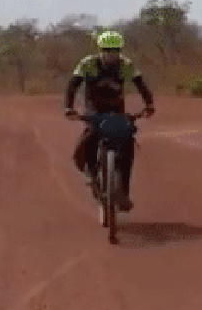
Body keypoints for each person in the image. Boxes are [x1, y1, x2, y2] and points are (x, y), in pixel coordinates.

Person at [64, 30, 155, 211]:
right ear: (100, 49)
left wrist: (149, 104)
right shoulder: (87, 64)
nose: (111, 54)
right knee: (88, 139)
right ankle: (90, 171)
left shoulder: (126, 65)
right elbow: (72, 86)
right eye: (107, 49)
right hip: (94, 111)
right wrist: (69, 107)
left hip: (116, 111)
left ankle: (123, 193)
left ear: (120, 50)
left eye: (115, 50)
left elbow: (141, 85)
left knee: (127, 141)